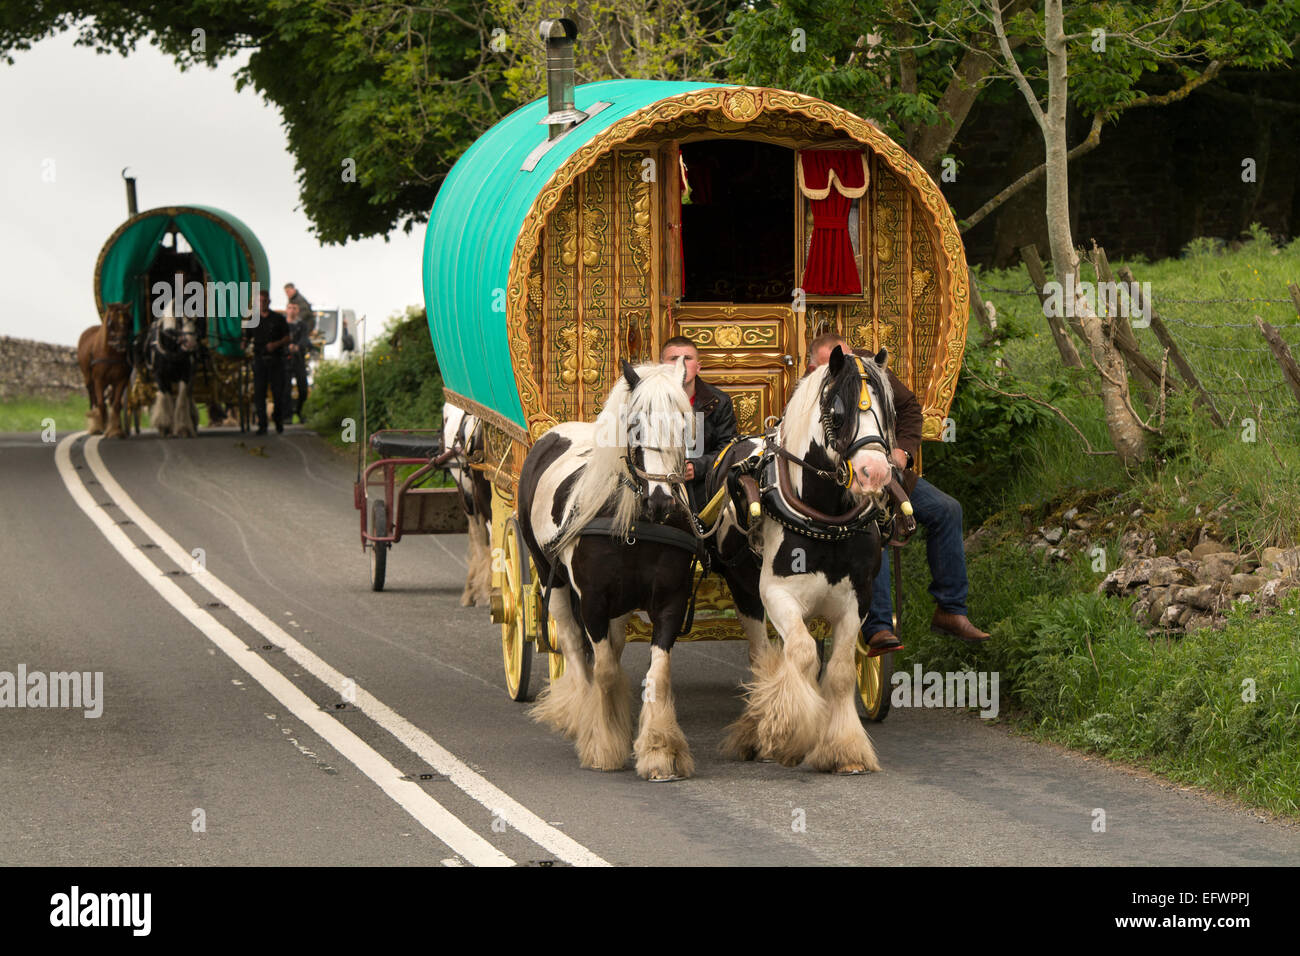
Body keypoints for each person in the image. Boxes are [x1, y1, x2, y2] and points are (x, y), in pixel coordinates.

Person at [807, 332, 990, 653]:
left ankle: (950, 609)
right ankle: (878, 627)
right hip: (834, 483)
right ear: (814, 367)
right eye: (836, 365)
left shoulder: (869, 368)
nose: (845, 369)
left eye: (848, 360)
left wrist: (903, 451)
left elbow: (908, 408)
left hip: (883, 468)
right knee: (871, 529)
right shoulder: (810, 387)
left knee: (947, 510)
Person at [660, 335, 738, 511]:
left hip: (706, 489)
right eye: (673, 359)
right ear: (661, 367)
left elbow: (728, 449)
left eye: (687, 358)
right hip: (658, 486)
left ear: (698, 366)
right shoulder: (650, 401)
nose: (680, 364)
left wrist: (697, 467)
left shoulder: (719, 401)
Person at [247, 290, 290, 435]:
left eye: (264, 301)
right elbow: (246, 338)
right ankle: (262, 425)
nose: (262, 303)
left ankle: (278, 422)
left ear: (268, 302)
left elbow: (287, 338)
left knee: (278, 393)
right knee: (259, 393)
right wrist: (242, 343)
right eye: (259, 301)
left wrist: (276, 344)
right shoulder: (253, 320)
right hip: (259, 360)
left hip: (276, 360)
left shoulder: (278, 319)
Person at [285, 301, 312, 423]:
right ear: (286, 309)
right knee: (285, 388)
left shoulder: (302, 325)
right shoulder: (282, 324)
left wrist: (297, 347)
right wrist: (287, 347)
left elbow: (304, 339)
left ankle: (300, 412)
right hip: (284, 360)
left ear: (298, 310)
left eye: (294, 308)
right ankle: (287, 415)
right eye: (289, 308)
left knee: (303, 388)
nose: (291, 310)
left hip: (298, 359)